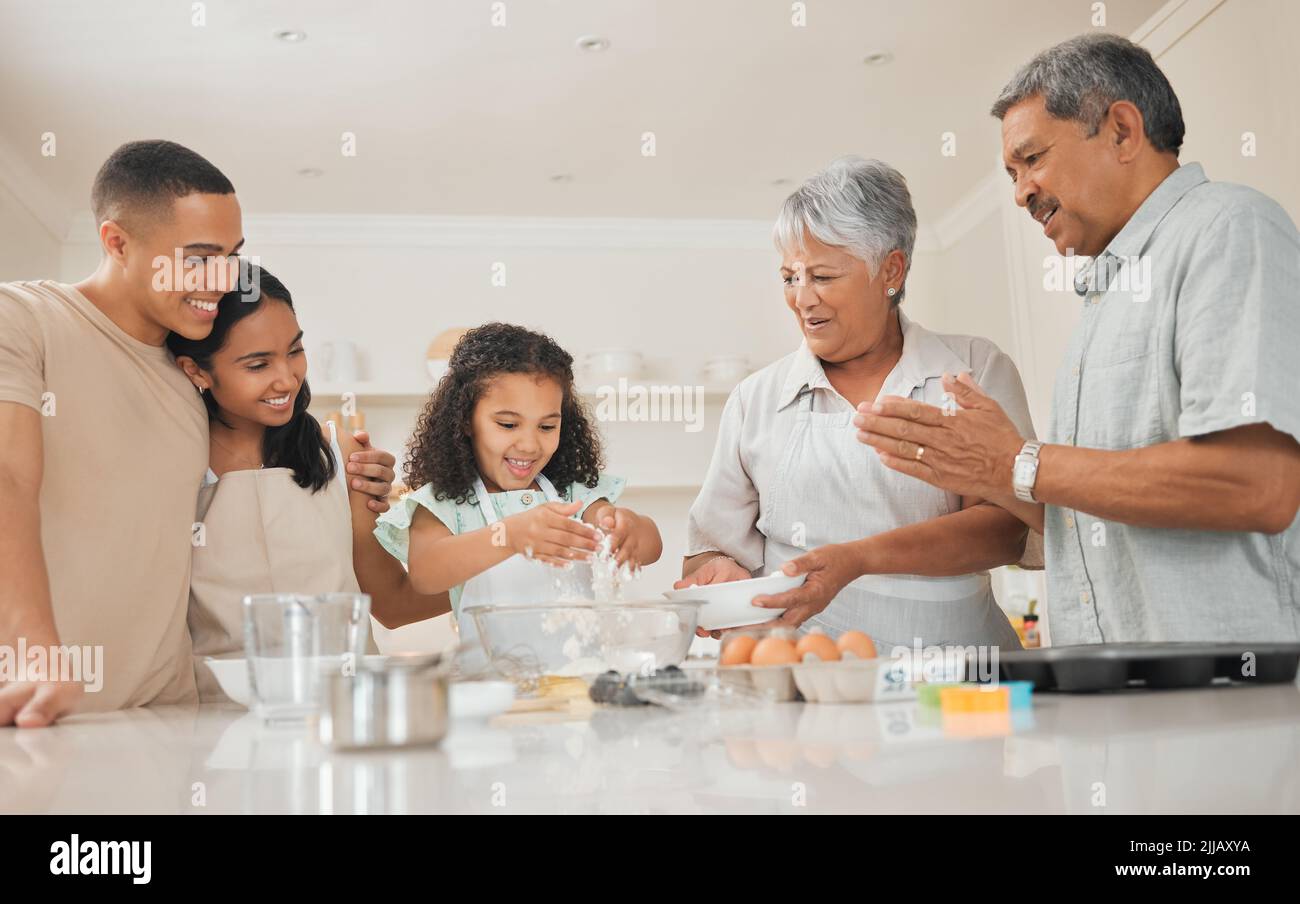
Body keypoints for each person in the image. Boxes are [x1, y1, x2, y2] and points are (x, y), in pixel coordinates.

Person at [856, 34, 1300, 643]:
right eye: (1011, 174)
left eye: (1032, 159)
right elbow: (1091, 515)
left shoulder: (1227, 229)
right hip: (1118, 705)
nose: (1019, 193)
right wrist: (990, 475)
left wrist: (1017, 462)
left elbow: (1258, 483)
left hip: (1224, 706)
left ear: (1121, 130)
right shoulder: (1103, 301)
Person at [0, 140, 396, 726]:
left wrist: (352, 467)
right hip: (39, 710)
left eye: (233, 255)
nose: (223, 279)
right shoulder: (25, 319)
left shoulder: (194, 372)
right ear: (116, 242)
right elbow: (8, 478)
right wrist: (31, 650)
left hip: (168, 715)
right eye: (201, 257)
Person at [677, 157, 1034, 651]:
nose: (802, 299)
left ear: (890, 270)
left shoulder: (973, 370)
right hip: (799, 678)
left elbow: (1005, 531)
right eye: (789, 277)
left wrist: (858, 558)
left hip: (955, 680)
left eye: (822, 277)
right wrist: (715, 573)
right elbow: (708, 549)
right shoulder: (754, 400)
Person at [166, 266, 451, 699]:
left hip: (347, 712)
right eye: (258, 364)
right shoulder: (170, 465)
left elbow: (393, 604)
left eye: (294, 350)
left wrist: (504, 566)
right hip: (216, 722)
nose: (287, 378)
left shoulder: (342, 458)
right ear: (197, 371)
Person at [374, 323, 663, 647]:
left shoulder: (572, 493)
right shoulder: (443, 503)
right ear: (466, 420)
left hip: (577, 681)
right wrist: (508, 536)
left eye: (546, 426)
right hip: (493, 686)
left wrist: (629, 529)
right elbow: (426, 574)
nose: (529, 444)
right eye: (508, 424)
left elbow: (651, 546)